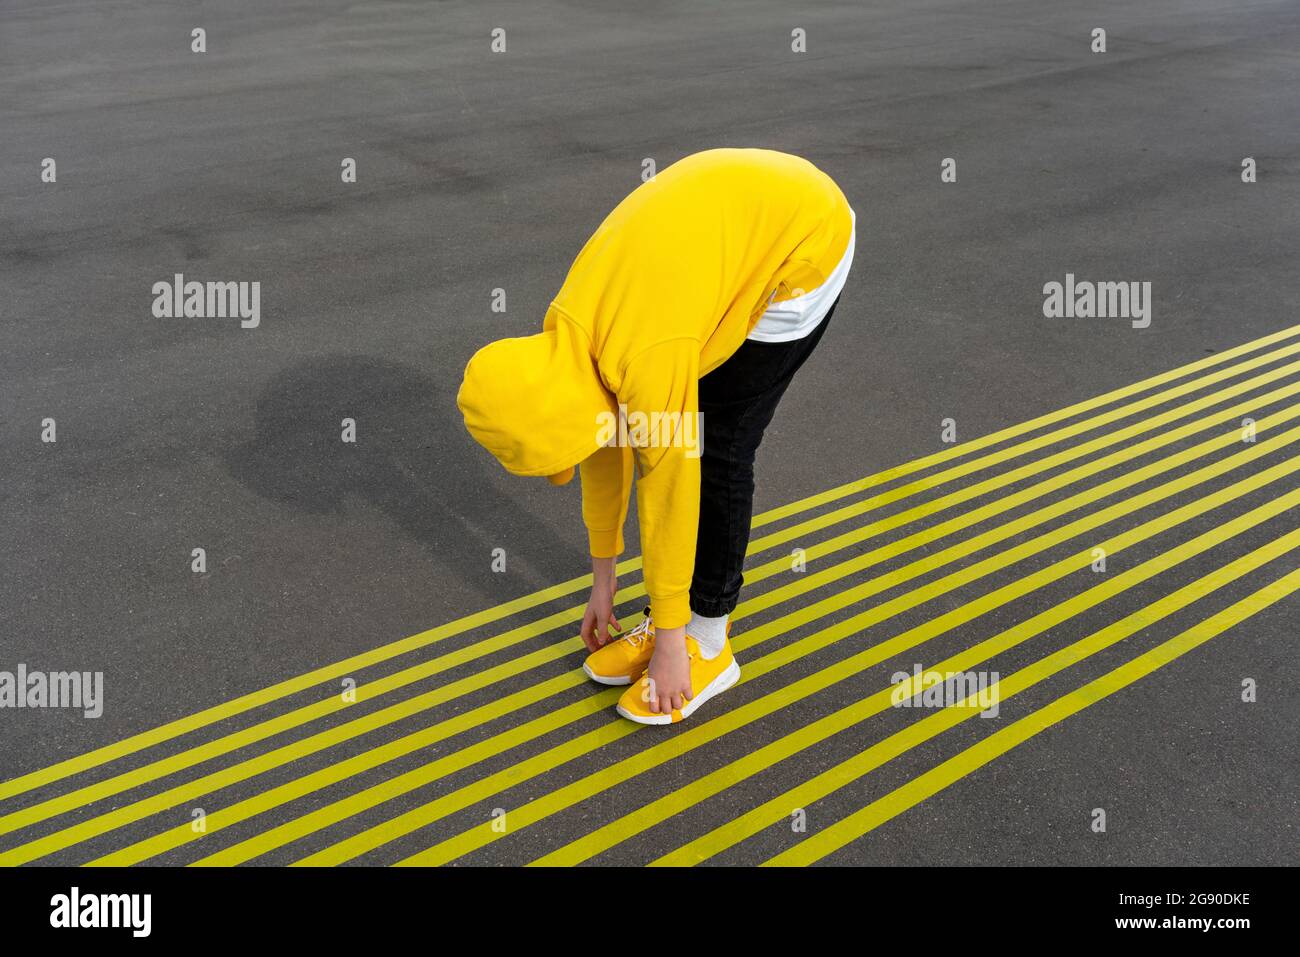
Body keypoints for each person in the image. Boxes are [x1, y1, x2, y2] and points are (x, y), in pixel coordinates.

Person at [457, 148, 855, 725]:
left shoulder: (644, 356)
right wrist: (604, 579)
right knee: (669, 415)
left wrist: (670, 645)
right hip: (734, 208)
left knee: (720, 443)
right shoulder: (566, 339)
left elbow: (670, 484)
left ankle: (709, 640)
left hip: (805, 238)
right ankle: (678, 619)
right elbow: (606, 441)